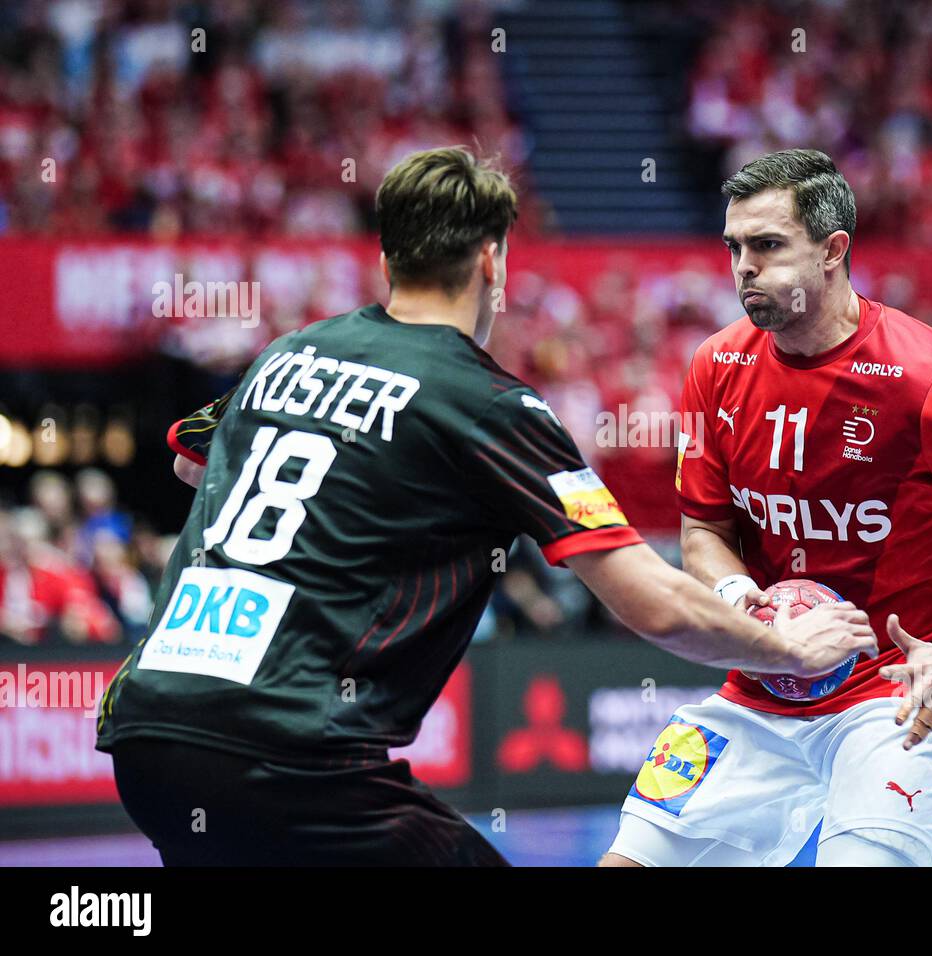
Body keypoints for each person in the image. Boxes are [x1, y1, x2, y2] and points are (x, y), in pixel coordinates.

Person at [95, 147, 876, 867]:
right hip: (290, 753)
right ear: (491, 260)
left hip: (148, 731)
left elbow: (188, 460)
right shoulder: (489, 405)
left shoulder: (286, 354)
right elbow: (655, 602)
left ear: (387, 255)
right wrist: (789, 651)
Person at [601, 149, 932, 868]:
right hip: (759, 682)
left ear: (832, 251)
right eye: (734, 247)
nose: (742, 268)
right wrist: (744, 605)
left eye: (766, 246)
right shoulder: (715, 367)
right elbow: (704, 531)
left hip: (897, 694)